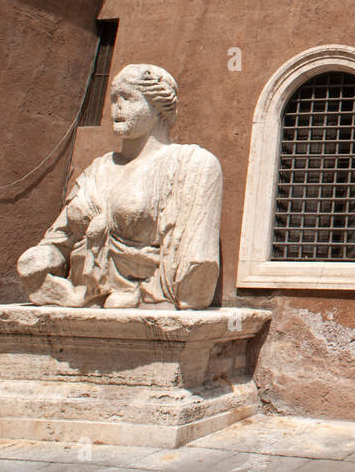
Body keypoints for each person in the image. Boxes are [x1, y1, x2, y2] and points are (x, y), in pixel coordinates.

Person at [16, 64, 223, 310]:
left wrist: (141, 293)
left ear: (159, 108)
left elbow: (195, 274)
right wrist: (41, 259)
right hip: (80, 295)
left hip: (148, 299)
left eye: (129, 98)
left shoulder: (192, 165)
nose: (117, 108)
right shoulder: (97, 169)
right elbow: (61, 240)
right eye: (114, 99)